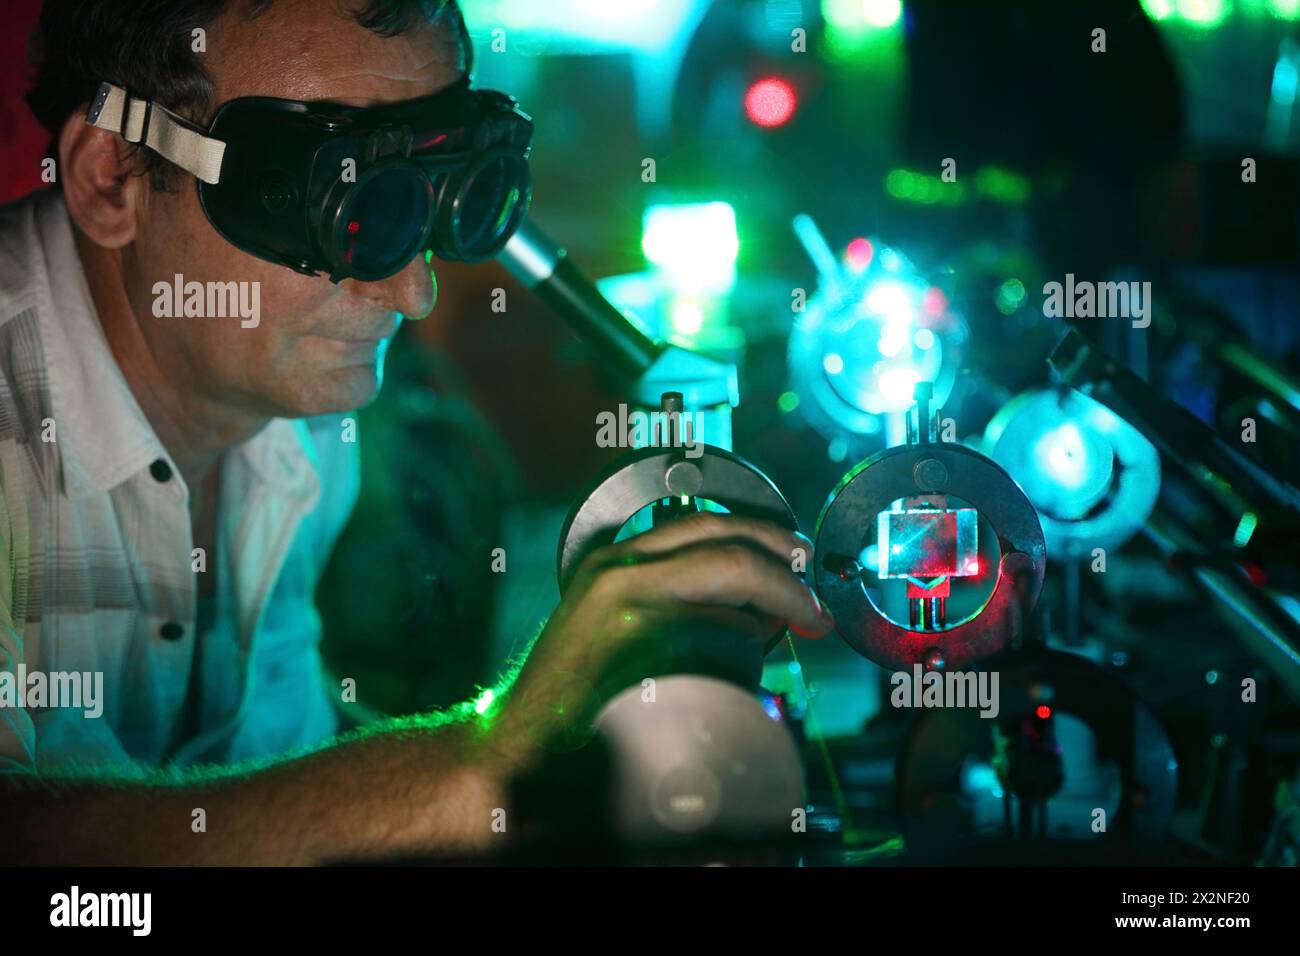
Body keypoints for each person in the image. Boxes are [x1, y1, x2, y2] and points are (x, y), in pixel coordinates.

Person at [0, 0, 832, 864]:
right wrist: (484, 755)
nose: (412, 293)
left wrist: (568, 765)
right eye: (334, 203)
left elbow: (255, 775)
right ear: (112, 177)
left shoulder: (291, 402)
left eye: (427, 204)